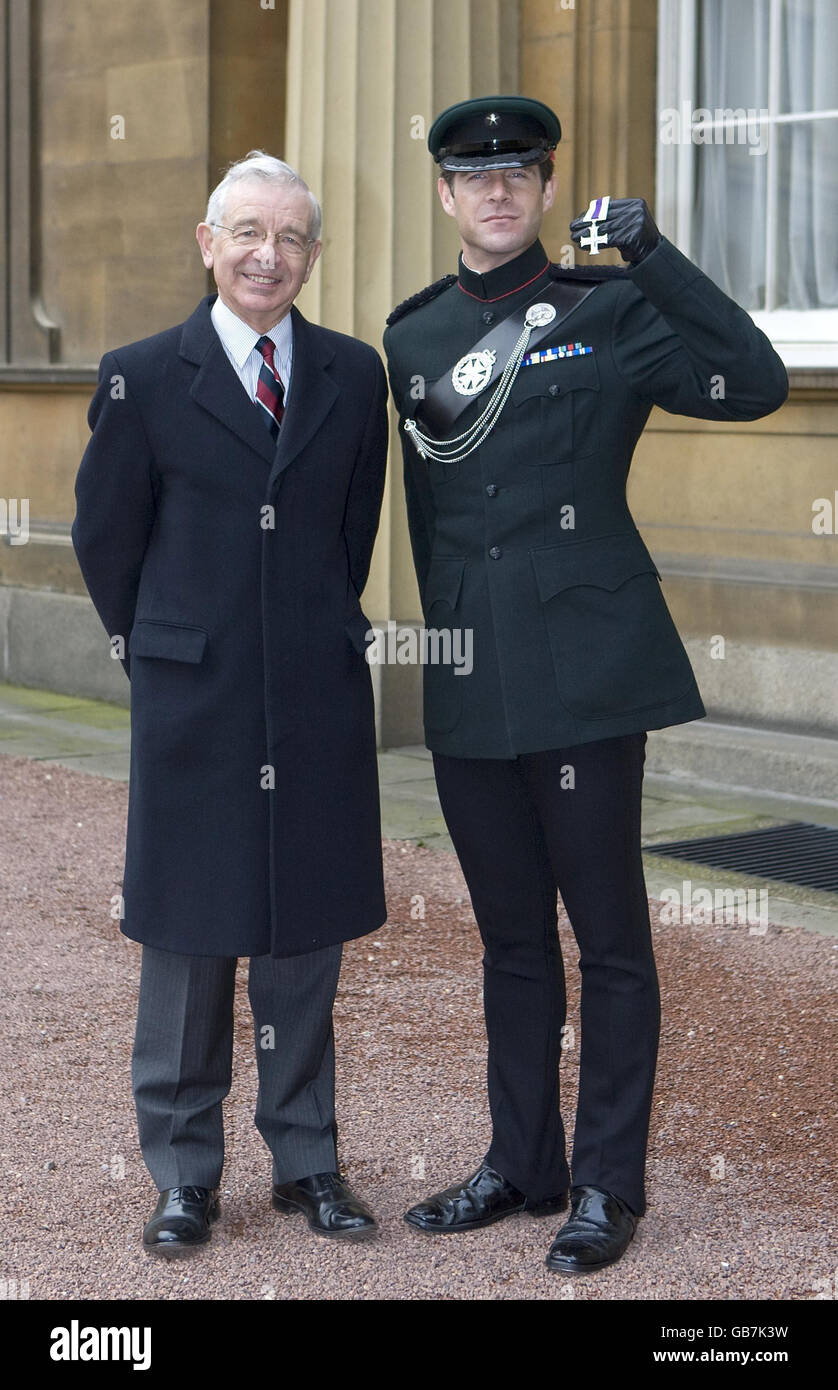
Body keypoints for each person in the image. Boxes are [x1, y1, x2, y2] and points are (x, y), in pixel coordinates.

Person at [382, 96, 788, 1274]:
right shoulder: (411, 340)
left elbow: (752, 381)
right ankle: (522, 1161)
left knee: (607, 939)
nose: (497, 190)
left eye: (520, 171)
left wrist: (652, 255)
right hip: (470, 674)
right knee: (509, 939)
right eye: (475, 174)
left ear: (549, 189)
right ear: (447, 194)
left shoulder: (612, 311)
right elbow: (428, 518)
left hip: (588, 671)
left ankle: (608, 1183)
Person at [73, 150, 389, 1256]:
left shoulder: (355, 375)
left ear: (311, 255)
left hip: (312, 693)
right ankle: (184, 1173)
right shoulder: (140, 375)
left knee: (303, 937)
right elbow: (107, 542)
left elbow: (352, 536)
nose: (269, 254)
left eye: (291, 237)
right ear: (207, 244)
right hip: (193, 703)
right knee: (191, 937)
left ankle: (308, 1160)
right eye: (247, 232)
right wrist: (166, 650)